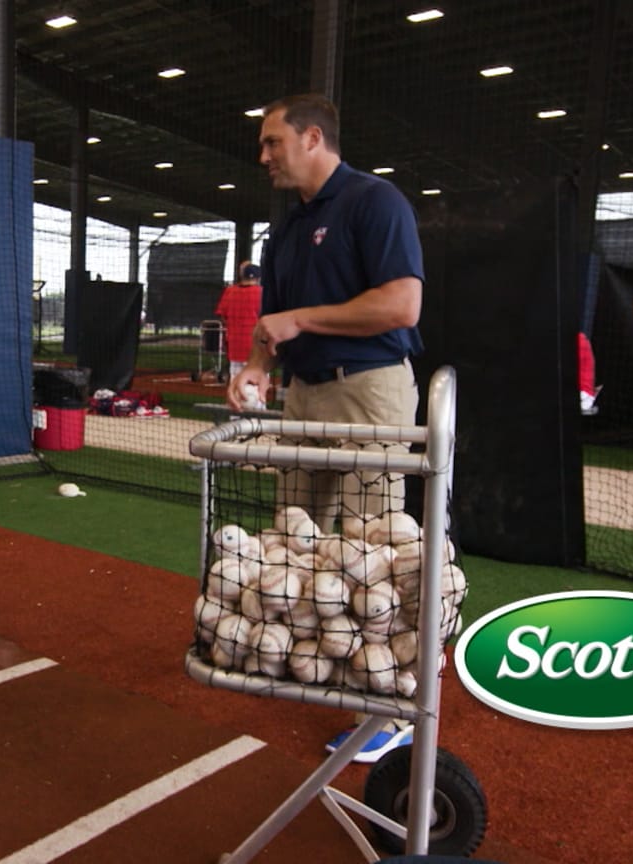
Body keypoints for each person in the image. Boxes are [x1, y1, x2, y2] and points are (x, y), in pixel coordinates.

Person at [226, 93, 424, 763]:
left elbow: (402, 304)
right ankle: (308, 666)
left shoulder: (375, 202)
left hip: (370, 393)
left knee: (373, 556)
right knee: (298, 542)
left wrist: (303, 321)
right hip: (304, 394)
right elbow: (272, 325)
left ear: (313, 138)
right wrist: (256, 368)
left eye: (271, 142)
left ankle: (388, 709)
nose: (263, 156)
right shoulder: (283, 229)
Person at [215, 261, 263, 380]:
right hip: (256, 347)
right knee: (255, 388)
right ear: (258, 278)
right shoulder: (261, 292)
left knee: (236, 384)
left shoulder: (230, 291)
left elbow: (222, 316)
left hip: (235, 345)